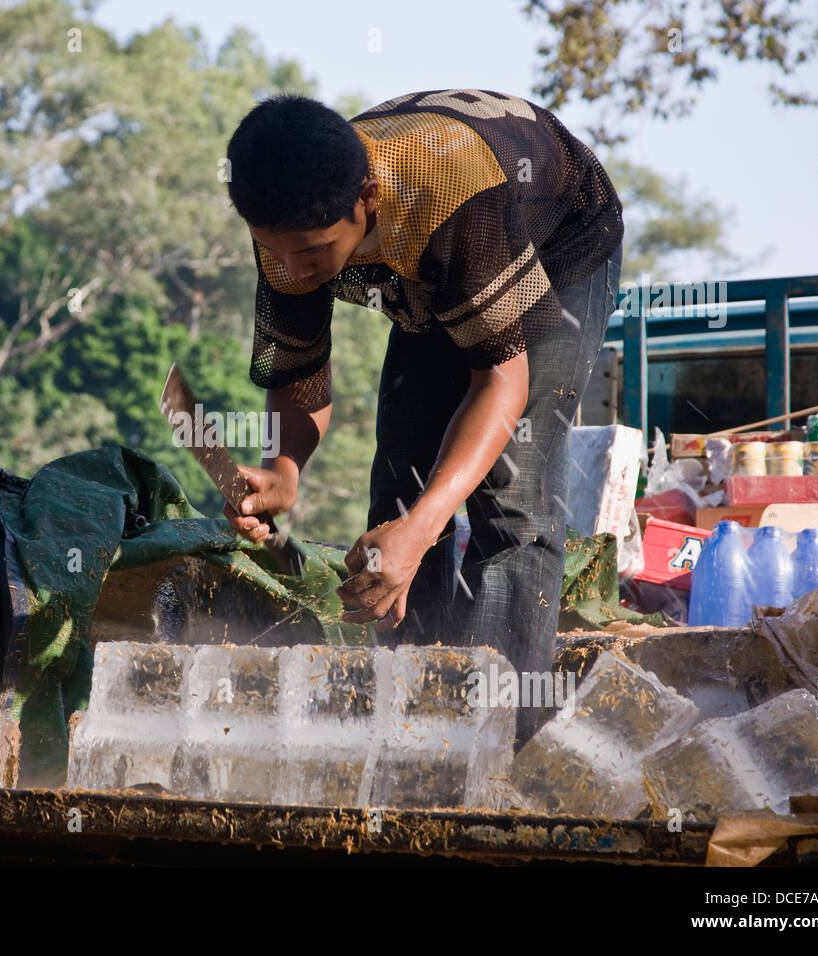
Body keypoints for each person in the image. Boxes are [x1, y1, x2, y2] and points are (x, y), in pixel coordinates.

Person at [223, 89, 624, 742]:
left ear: (368, 200)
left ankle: (495, 744)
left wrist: (422, 526)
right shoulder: (286, 227)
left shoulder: (449, 197)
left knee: (513, 496)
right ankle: (408, 728)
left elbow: (502, 382)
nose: (295, 272)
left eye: (316, 252)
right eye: (279, 252)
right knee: (400, 485)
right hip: (431, 271)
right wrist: (283, 472)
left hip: (556, 245)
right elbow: (299, 373)